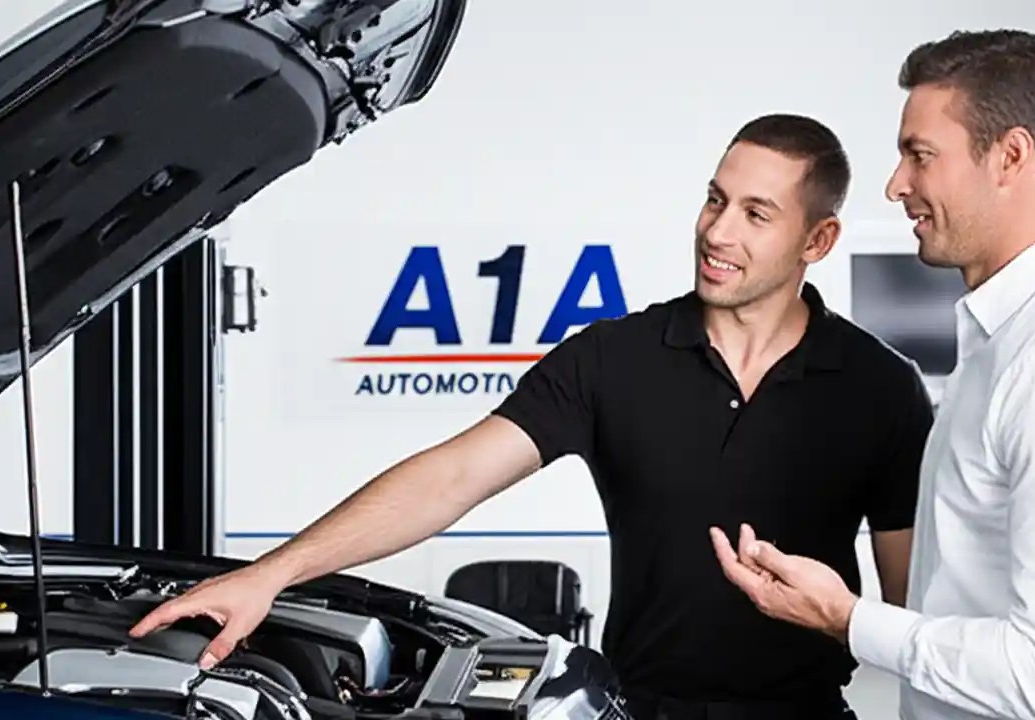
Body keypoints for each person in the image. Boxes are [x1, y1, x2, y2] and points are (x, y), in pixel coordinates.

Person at [130, 113, 936, 718]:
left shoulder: (881, 388)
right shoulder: (612, 359)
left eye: (757, 215)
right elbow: (450, 478)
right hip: (636, 711)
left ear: (818, 239)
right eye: (715, 200)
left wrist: (843, 624)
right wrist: (272, 573)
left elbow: (909, 618)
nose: (718, 231)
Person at [712, 29, 1035, 720]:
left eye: (920, 155)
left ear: (1012, 157)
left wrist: (848, 618)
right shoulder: (1011, 342)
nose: (895, 184)